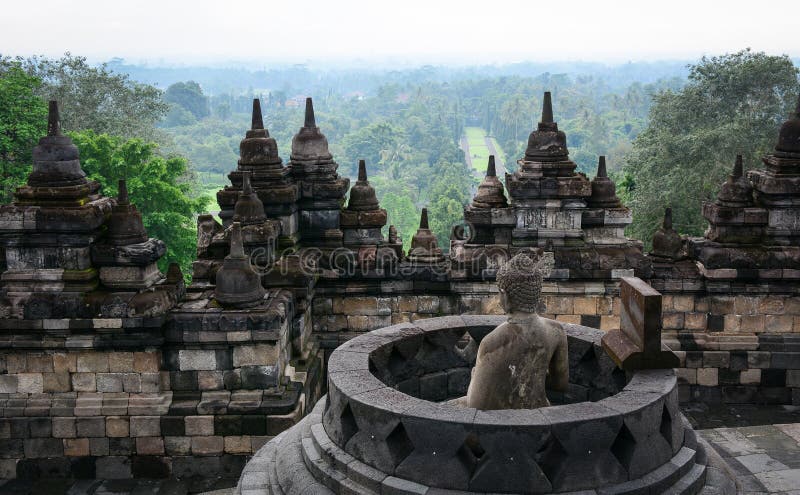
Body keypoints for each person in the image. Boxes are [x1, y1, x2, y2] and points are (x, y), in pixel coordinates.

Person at [460, 251, 568, 410]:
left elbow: (476, 405)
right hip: (540, 412)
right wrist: (531, 374)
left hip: (502, 423)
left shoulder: (492, 342)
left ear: (504, 296)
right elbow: (560, 385)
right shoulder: (556, 331)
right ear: (537, 294)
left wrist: (475, 374)